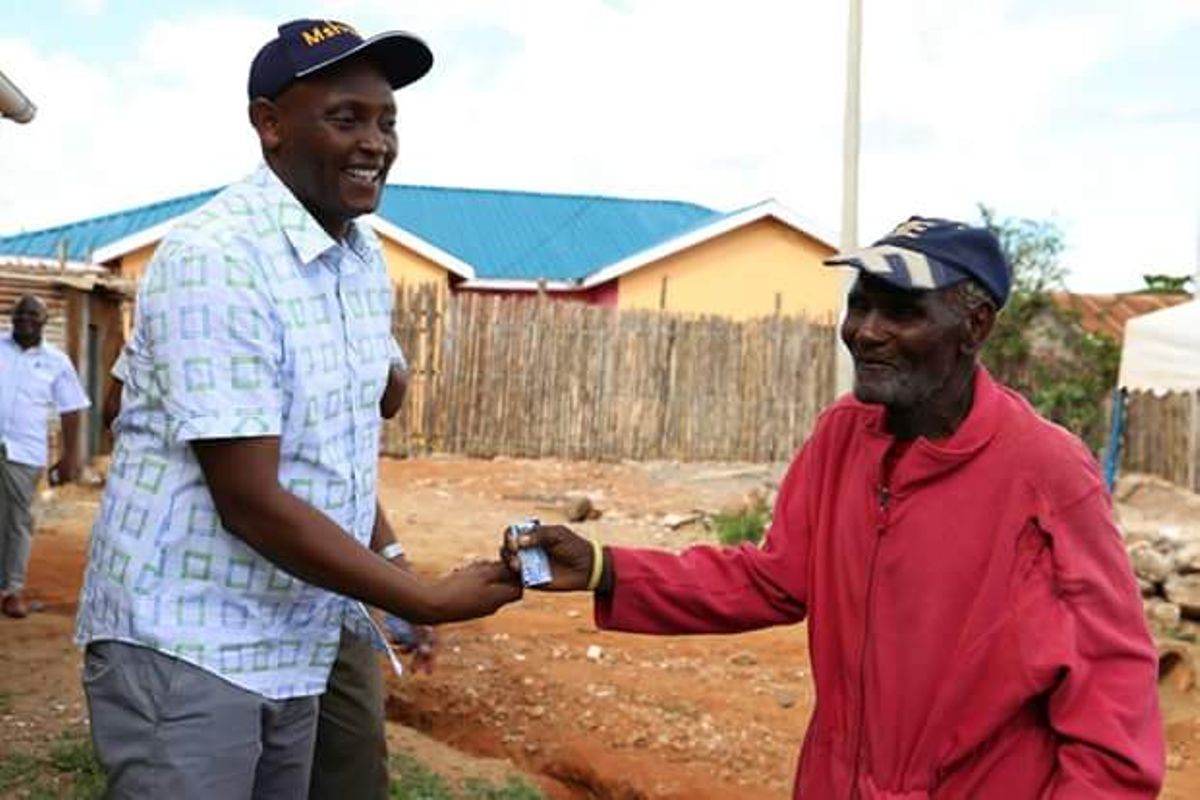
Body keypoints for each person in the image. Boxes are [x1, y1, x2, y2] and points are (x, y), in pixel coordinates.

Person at [511, 218, 1165, 798]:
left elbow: (1114, 702)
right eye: (860, 305)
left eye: (901, 312)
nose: (867, 332)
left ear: (975, 326)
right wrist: (603, 566)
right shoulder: (843, 435)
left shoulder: (1047, 475)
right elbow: (773, 577)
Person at [75, 18, 521, 799]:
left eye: (387, 122)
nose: (375, 143)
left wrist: (390, 562)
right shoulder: (220, 257)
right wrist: (420, 597)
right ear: (269, 124)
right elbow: (251, 500)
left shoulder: (358, 256)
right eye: (346, 118)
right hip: (193, 635)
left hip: (295, 627)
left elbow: (332, 449)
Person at [103, 354, 424, 800]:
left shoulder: (351, 302)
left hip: (326, 593)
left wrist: (397, 566)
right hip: (213, 602)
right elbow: (116, 406)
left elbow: (358, 451)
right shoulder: (216, 301)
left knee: (352, 758)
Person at [0, 294, 90, 619]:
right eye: (19, 312)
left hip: (24, 450)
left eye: (32, 314)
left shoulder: (57, 361)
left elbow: (72, 408)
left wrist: (71, 457)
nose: (24, 318)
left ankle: (11, 590)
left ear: (43, 320)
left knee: (17, 522)